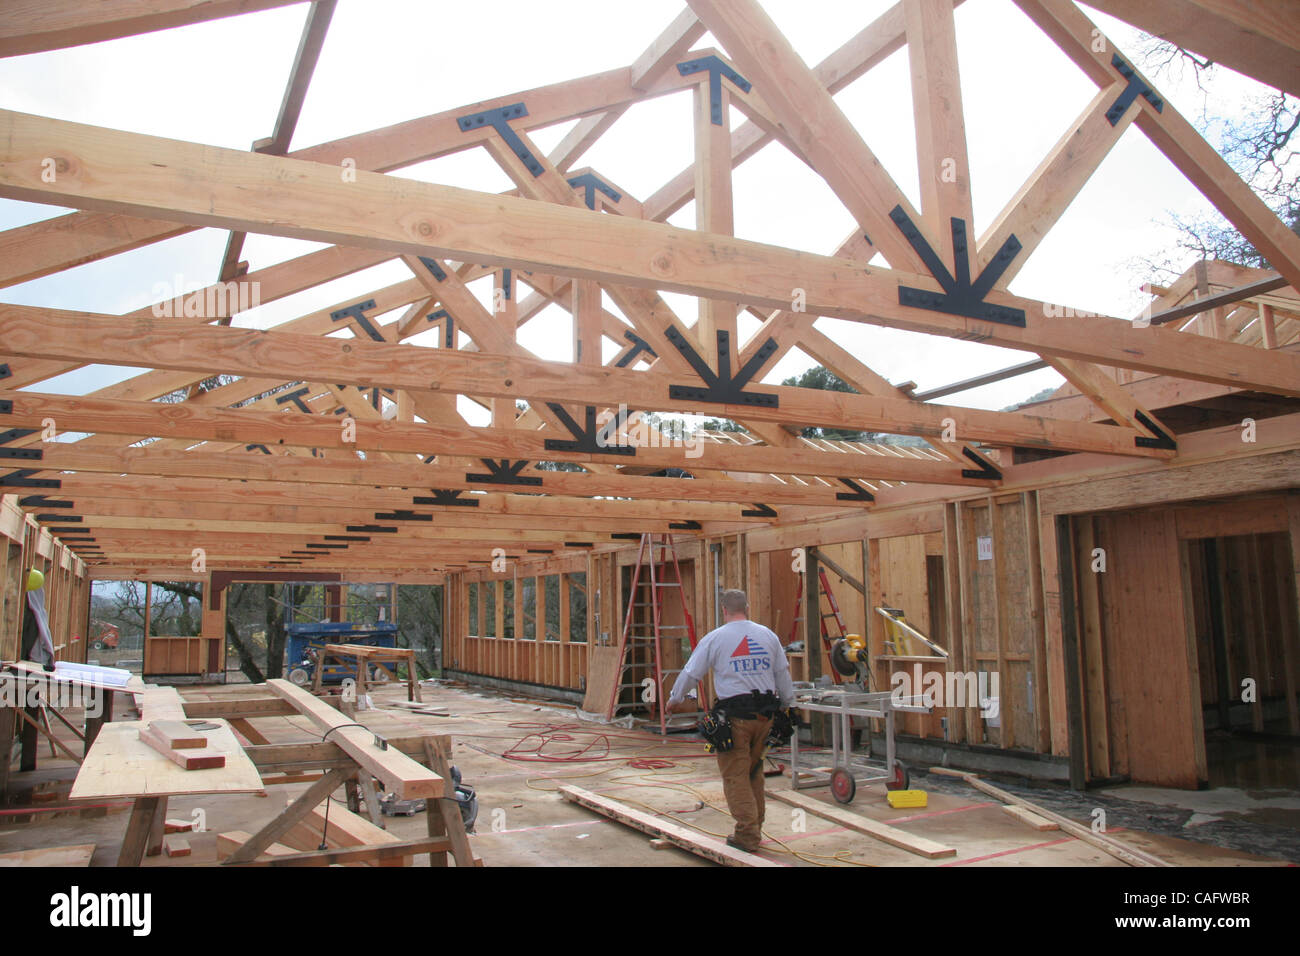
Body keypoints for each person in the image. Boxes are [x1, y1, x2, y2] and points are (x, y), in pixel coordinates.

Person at [666, 588, 794, 853]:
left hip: (734, 720)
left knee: (735, 776)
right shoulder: (767, 635)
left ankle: (747, 835)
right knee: (754, 771)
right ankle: (756, 825)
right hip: (765, 717)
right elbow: (782, 674)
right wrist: (786, 704)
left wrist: (674, 698)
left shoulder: (716, 638)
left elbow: (692, 673)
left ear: (724, 610)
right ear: (746, 607)